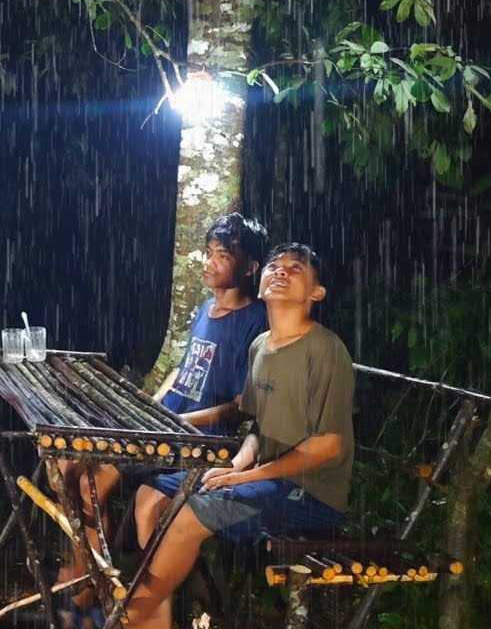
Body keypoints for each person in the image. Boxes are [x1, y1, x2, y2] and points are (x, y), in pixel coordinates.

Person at [54, 213, 269, 628]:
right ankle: (89, 576)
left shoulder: (256, 323)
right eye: (208, 253)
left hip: (196, 439)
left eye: (221, 256)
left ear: (249, 267)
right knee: (67, 463)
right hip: (160, 426)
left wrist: (179, 419)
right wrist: (152, 402)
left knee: (92, 481)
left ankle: (109, 593)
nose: (208, 262)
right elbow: (186, 368)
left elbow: (246, 404)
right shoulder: (208, 307)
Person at [125, 243, 355, 629]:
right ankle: (157, 615)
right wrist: (234, 465)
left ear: (317, 293)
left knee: (189, 513)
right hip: (264, 478)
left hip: (309, 493)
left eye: (295, 268)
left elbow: (328, 445)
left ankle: (132, 613)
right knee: (151, 495)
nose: (281, 272)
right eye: (274, 266)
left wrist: (245, 477)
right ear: (261, 280)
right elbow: (260, 428)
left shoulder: (325, 350)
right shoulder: (260, 346)